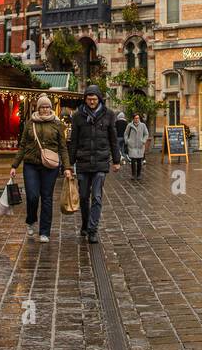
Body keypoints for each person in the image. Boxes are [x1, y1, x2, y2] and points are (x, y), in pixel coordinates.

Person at [9, 94, 72, 243]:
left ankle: (45, 232)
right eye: (42, 107)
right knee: (32, 196)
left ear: (51, 108)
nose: (45, 109)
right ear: (38, 108)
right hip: (31, 164)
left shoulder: (57, 124)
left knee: (47, 197)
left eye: (47, 107)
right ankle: (31, 220)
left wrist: (67, 167)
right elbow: (23, 145)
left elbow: (63, 148)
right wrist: (14, 165)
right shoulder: (30, 123)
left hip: (50, 166)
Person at [67, 84, 121, 243]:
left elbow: (113, 139)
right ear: (85, 100)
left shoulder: (109, 115)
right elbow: (73, 141)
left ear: (99, 99)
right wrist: (69, 165)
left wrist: (116, 160)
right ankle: (85, 223)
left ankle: (92, 230)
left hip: (100, 161)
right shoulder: (78, 116)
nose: (91, 102)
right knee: (83, 196)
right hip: (83, 161)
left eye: (94, 99)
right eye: (89, 99)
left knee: (96, 196)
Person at [124, 112, 149, 178]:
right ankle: (133, 174)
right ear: (133, 119)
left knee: (139, 160)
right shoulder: (129, 125)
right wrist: (127, 141)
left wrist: (143, 141)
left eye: (138, 118)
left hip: (140, 145)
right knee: (133, 160)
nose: (137, 119)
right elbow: (126, 134)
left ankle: (139, 174)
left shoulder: (143, 125)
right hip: (132, 145)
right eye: (135, 118)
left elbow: (146, 134)